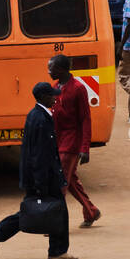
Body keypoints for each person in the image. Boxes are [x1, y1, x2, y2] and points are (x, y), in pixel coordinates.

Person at [0, 83, 77, 259]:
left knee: (33, 211)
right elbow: (40, 155)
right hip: (43, 177)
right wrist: (41, 184)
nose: (55, 98)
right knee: (56, 211)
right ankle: (57, 251)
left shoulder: (36, 115)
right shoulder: (41, 119)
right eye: (51, 95)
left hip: (39, 176)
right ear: (43, 97)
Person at [49, 53, 100, 228]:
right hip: (59, 140)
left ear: (61, 69)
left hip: (71, 142)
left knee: (60, 183)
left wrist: (85, 148)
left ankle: (56, 224)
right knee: (69, 181)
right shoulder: (55, 86)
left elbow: (85, 118)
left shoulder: (78, 88)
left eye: (51, 68)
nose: (48, 71)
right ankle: (91, 211)